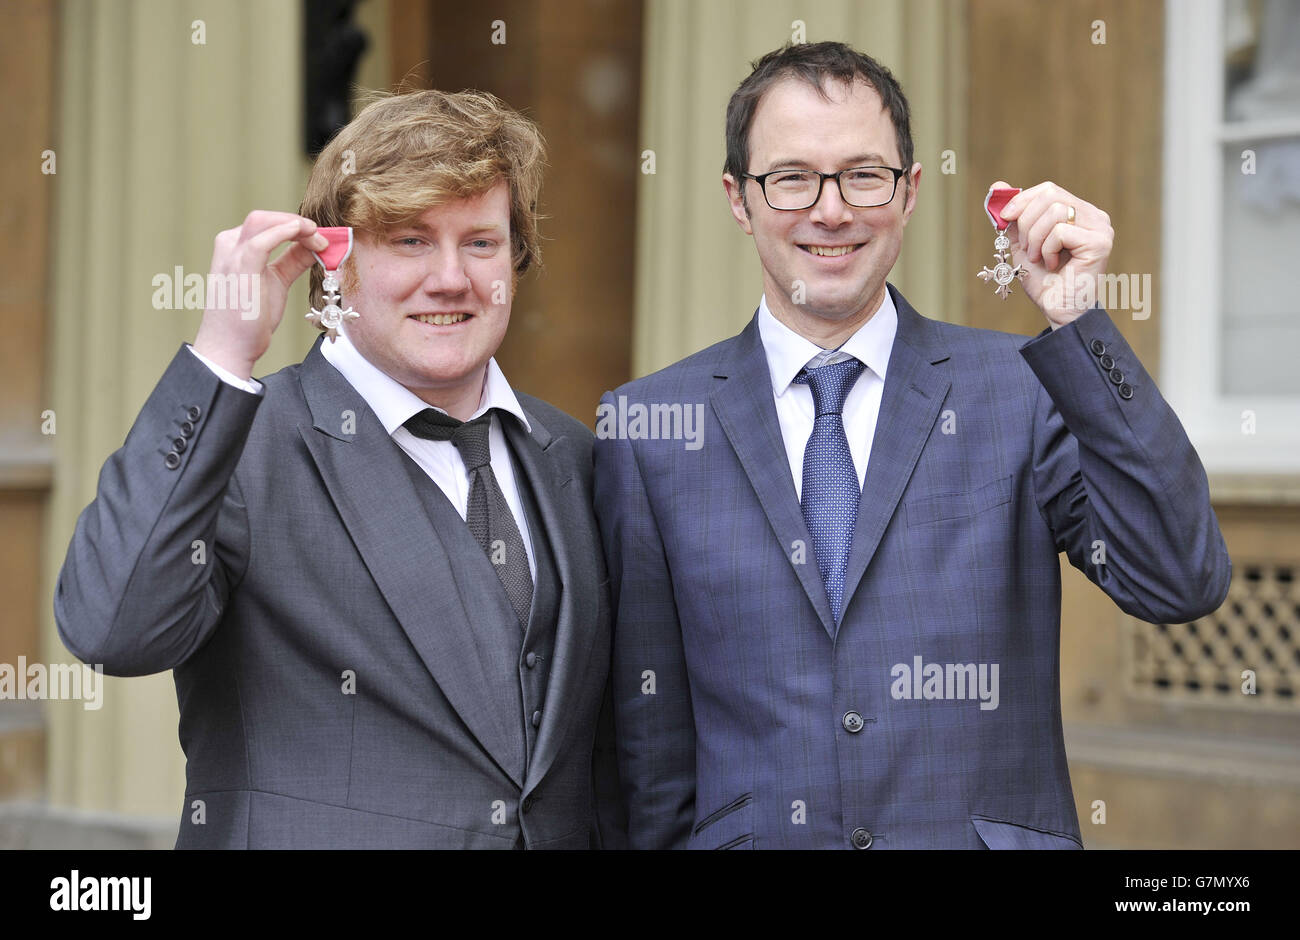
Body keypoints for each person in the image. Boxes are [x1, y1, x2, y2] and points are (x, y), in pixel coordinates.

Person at [593, 41, 1231, 849]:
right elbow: (650, 760)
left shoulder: (1022, 389)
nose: (831, 210)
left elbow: (1180, 578)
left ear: (911, 190)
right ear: (738, 198)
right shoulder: (649, 430)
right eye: (791, 177)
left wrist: (1078, 325)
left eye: (863, 174)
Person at [56, 89, 620, 849]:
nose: (451, 278)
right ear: (334, 264)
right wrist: (222, 355)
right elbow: (112, 629)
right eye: (411, 241)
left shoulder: (575, 456)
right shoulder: (246, 444)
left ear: (515, 260)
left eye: (480, 243)